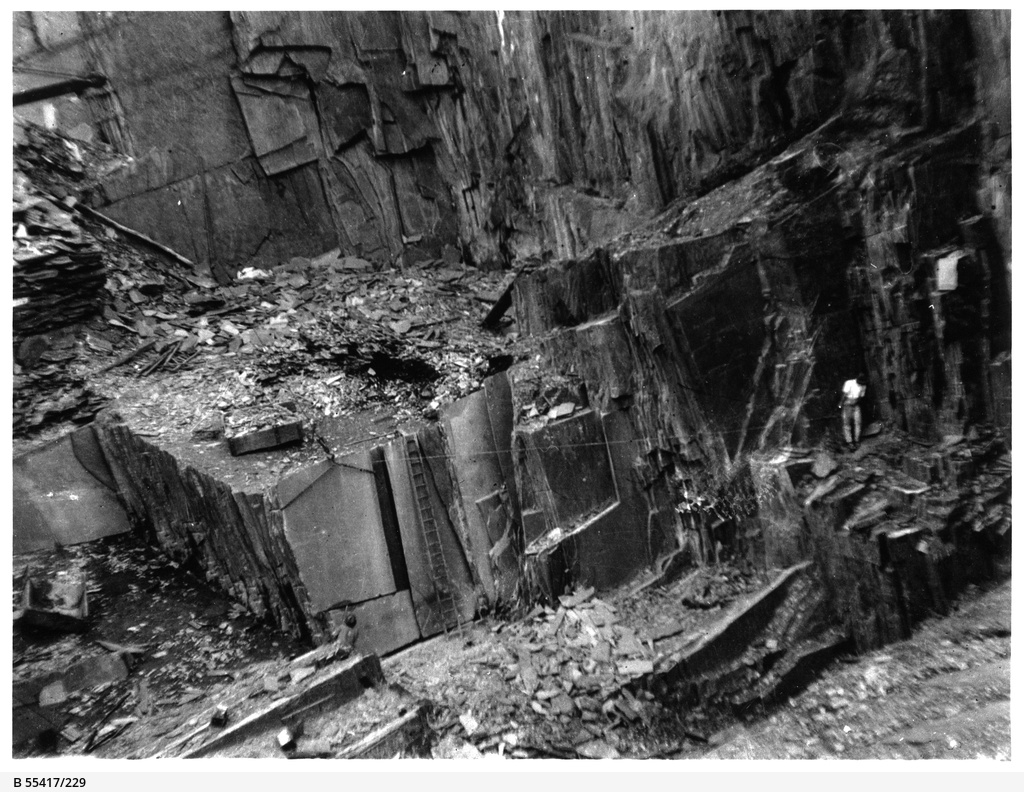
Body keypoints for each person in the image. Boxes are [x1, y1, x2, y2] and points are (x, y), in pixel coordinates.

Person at [839, 374, 867, 450]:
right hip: (847, 404)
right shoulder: (849, 383)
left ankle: (857, 440)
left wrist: (855, 402)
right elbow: (844, 395)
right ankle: (849, 442)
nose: (861, 384)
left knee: (858, 422)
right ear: (857, 379)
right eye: (860, 382)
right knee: (847, 423)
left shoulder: (863, 385)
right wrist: (840, 404)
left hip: (856, 404)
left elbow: (861, 396)